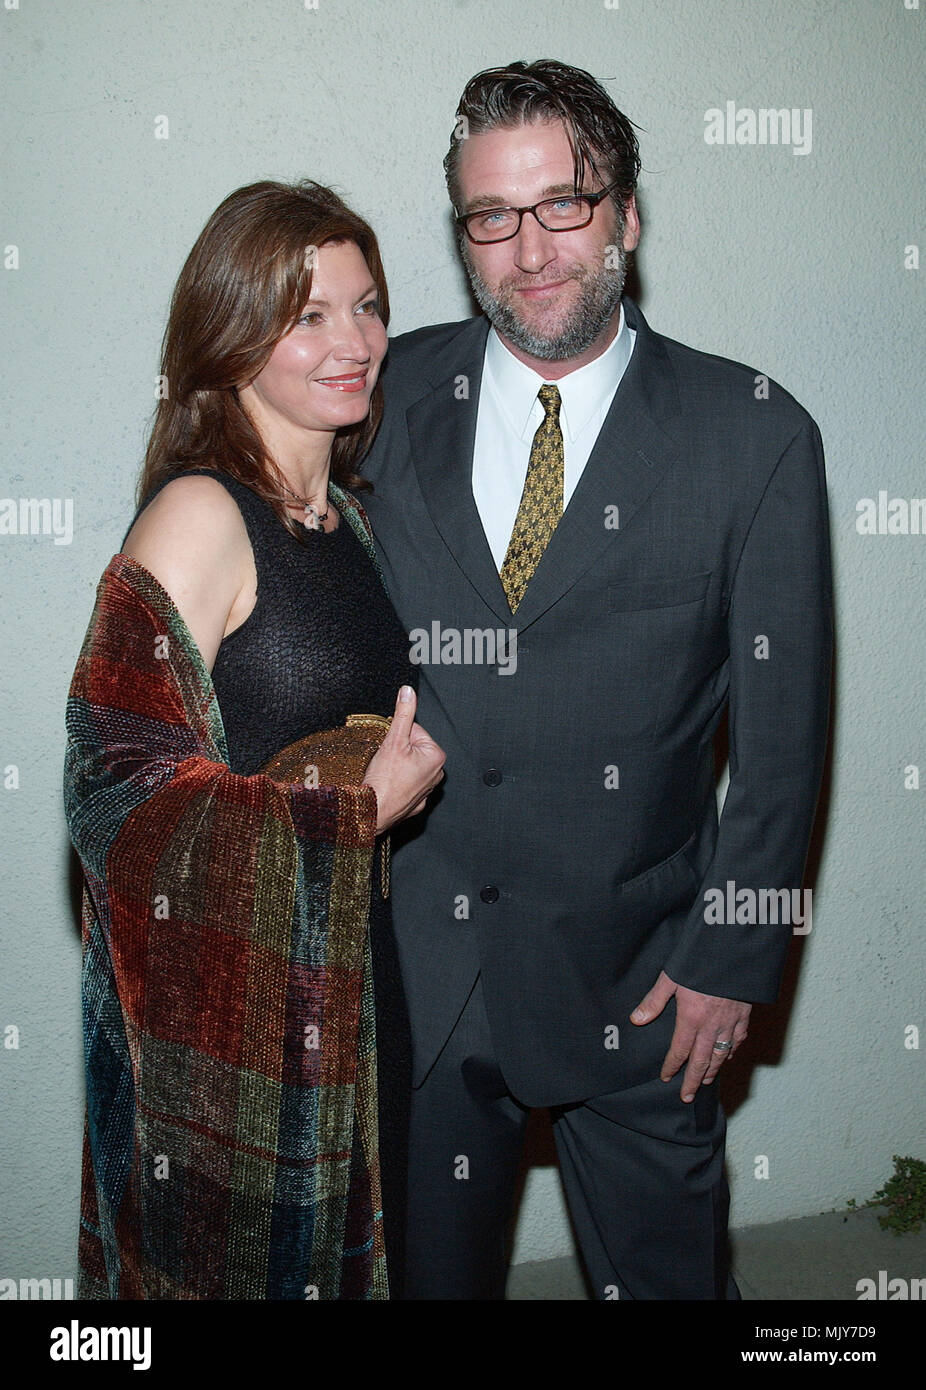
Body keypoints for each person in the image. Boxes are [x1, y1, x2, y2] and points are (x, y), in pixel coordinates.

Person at [359, 60, 834, 1299]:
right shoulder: (383, 399)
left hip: (644, 979)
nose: (530, 250)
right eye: (491, 217)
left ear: (625, 212)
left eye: (564, 203)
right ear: (460, 234)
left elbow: (782, 745)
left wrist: (732, 959)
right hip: (418, 979)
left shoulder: (754, 434)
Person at [63, 179, 445, 1300]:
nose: (355, 342)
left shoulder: (348, 519)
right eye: (307, 314)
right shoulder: (200, 513)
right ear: (230, 339)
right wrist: (352, 813)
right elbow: (113, 792)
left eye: (366, 306)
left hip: (356, 979)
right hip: (233, 1026)